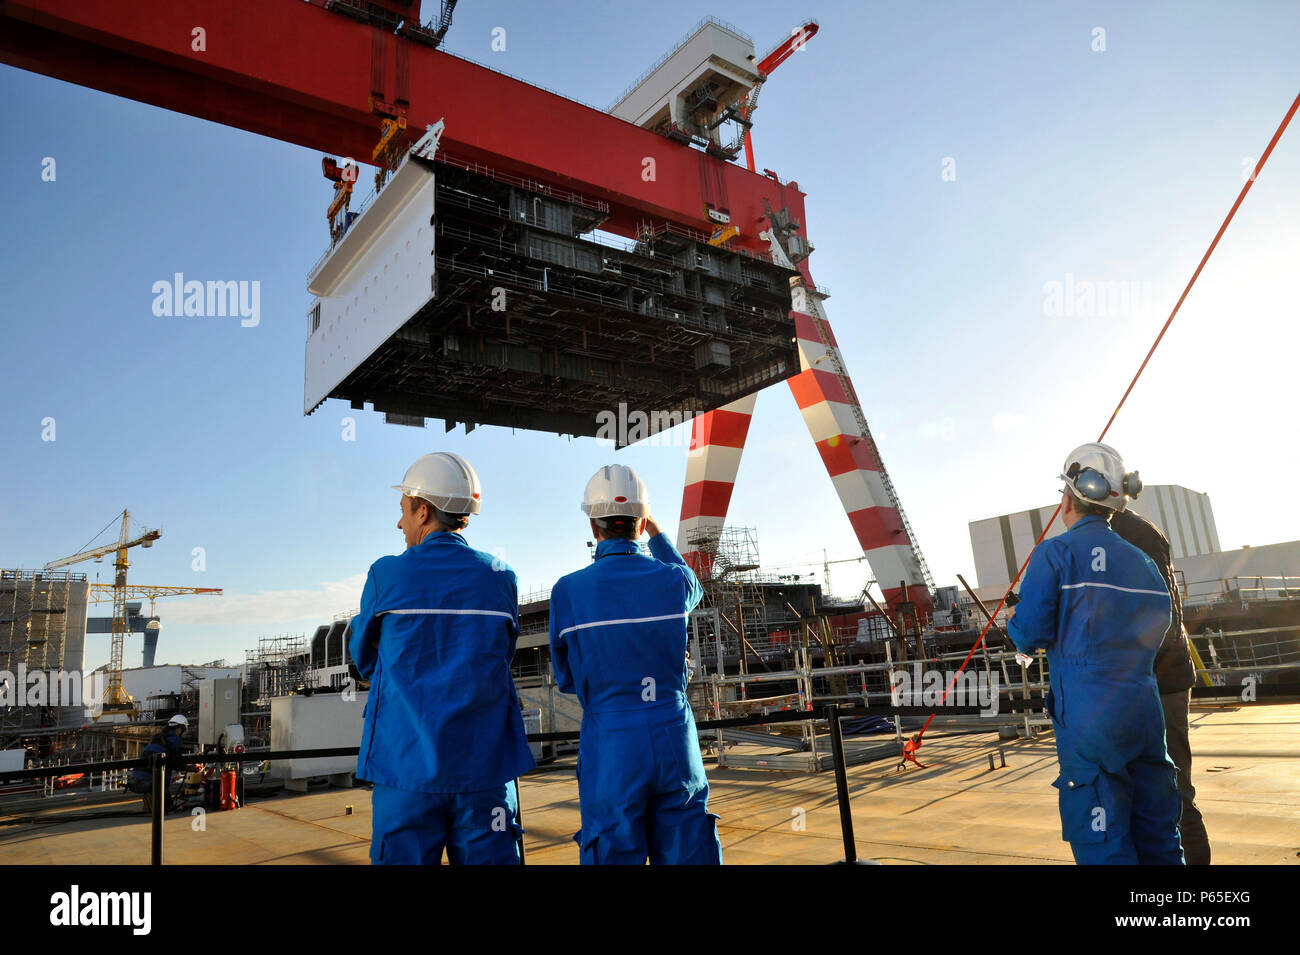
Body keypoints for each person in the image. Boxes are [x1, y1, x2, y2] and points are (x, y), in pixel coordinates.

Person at [350, 452, 535, 865]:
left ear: (425, 512)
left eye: (403, 511)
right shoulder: (502, 577)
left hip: (407, 768)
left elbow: (363, 660)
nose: (399, 524)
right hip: (485, 769)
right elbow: (500, 657)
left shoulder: (385, 575)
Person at [1007, 443, 1184, 865]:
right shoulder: (1143, 560)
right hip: (1145, 712)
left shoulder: (1056, 553)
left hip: (1091, 721)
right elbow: (1164, 627)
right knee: (1159, 835)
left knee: (1104, 841)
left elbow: (1029, 632)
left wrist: (1015, 622)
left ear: (1068, 499)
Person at [549, 464, 722, 865]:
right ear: (641, 524)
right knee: (688, 849)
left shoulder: (568, 591)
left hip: (612, 742)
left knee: (611, 848)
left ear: (594, 527)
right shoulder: (673, 582)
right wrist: (658, 534)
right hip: (674, 736)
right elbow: (693, 583)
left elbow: (567, 677)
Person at [1111, 503, 1211, 864]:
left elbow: (1159, 616)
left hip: (1159, 681)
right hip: (1149, 679)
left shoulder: (1133, 534)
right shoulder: (1123, 532)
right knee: (1147, 791)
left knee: (1173, 790)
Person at [128, 713, 189, 813]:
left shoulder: (158, 738)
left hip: (135, 780)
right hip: (152, 782)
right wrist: (189, 768)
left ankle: (150, 799)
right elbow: (177, 763)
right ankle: (154, 802)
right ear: (180, 729)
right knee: (167, 807)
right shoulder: (175, 740)